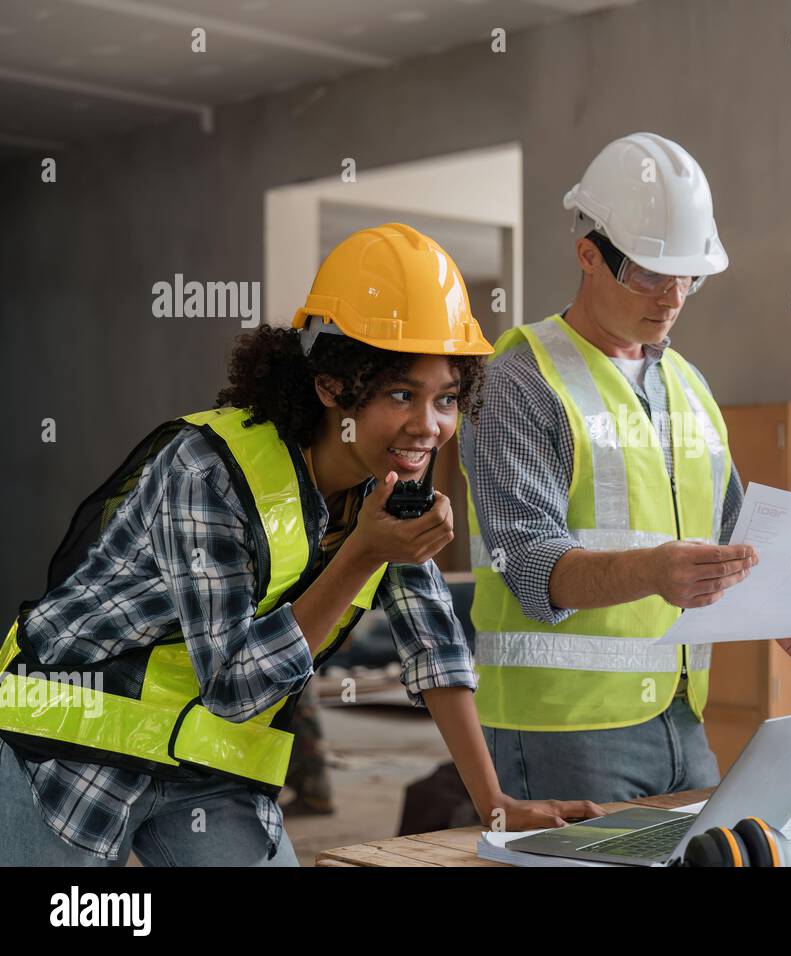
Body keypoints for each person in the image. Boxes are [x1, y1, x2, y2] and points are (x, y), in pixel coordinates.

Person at [0, 223, 602, 866]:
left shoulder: (389, 492)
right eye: (402, 394)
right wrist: (363, 553)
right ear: (332, 387)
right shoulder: (207, 469)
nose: (428, 427)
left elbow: (434, 648)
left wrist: (495, 801)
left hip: (207, 764)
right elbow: (232, 684)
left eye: (447, 399)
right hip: (66, 749)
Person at [459, 132, 791, 804]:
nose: (673, 297)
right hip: (560, 728)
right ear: (588, 255)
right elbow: (528, 566)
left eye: (689, 276)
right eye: (650, 273)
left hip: (680, 717)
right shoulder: (518, 379)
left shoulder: (690, 386)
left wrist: (785, 615)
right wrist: (651, 571)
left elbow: (735, 545)